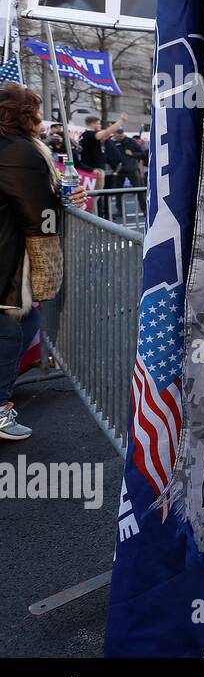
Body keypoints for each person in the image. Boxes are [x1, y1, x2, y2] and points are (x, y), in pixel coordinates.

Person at [0, 83, 87, 440]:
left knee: (23, 319)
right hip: (6, 254)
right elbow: (40, 215)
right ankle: (2, 408)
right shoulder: (20, 152)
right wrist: (62, 203)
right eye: (36, 113)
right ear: (25, 116)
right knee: (13, 321)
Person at [78, 112, 128, 217]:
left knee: (94, 197)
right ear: (93, 124)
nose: (100, 126)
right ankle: (93, 219)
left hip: (91, 169)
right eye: (98, 124)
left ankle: (95, 217)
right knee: (94, 198)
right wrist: (121, 121)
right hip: (94, 171)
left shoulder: (84, 136)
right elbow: (106, 132)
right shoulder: (90, 134)